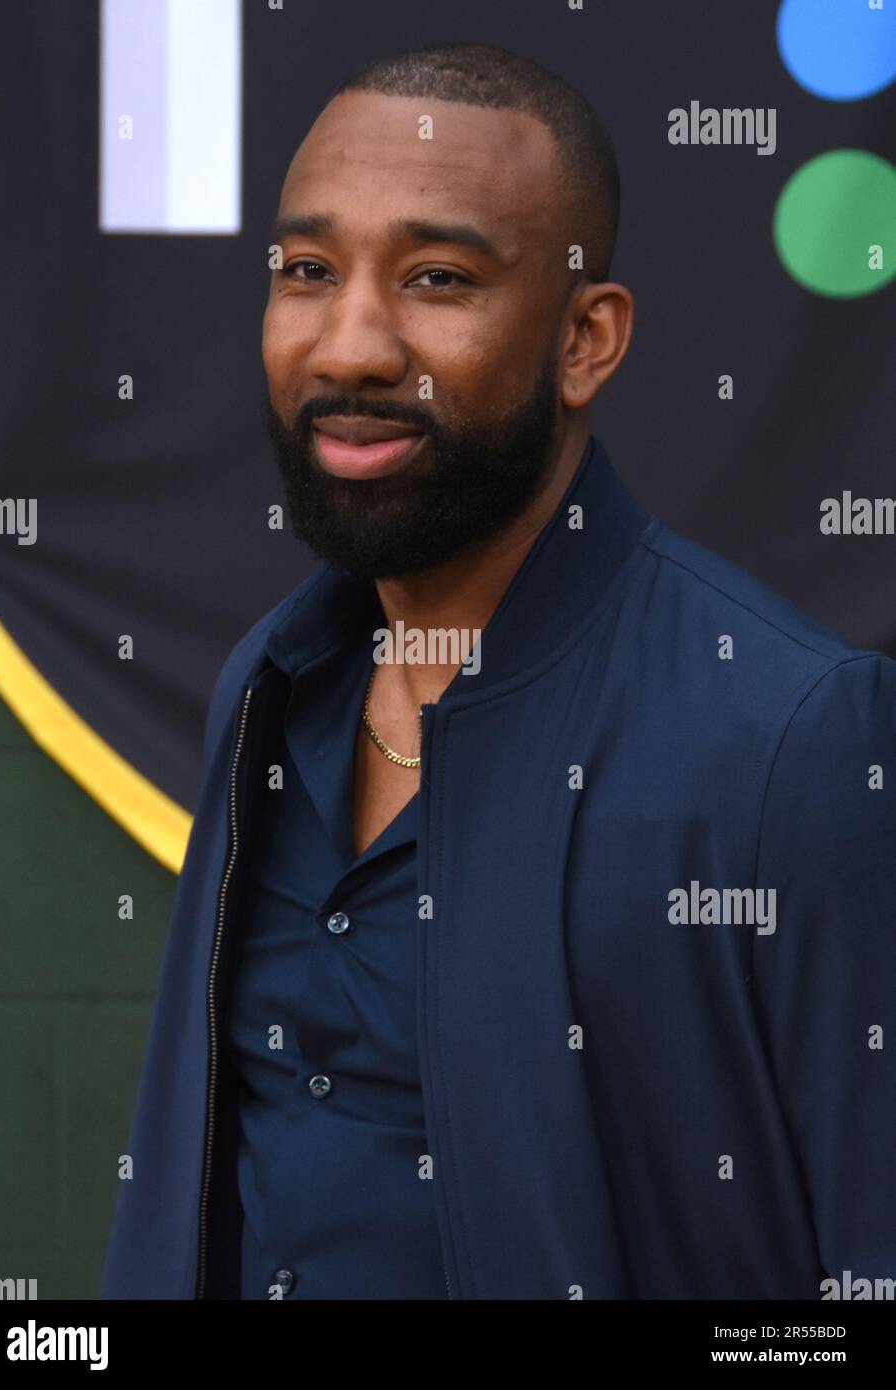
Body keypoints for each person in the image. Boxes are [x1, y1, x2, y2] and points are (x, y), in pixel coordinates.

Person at [100, 42, 896, 1301]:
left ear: (587, 339)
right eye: (307, 271)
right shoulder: (271, 685)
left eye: (437, 278)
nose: (351, 346)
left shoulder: (793, 734)